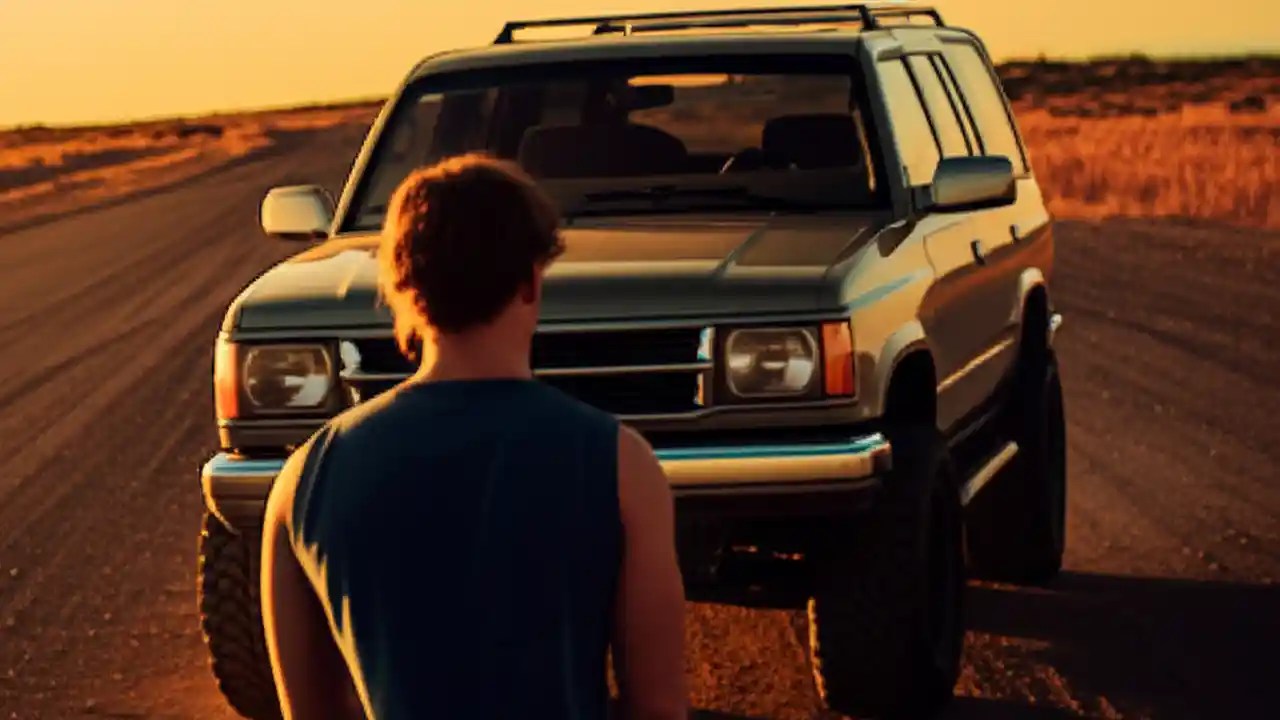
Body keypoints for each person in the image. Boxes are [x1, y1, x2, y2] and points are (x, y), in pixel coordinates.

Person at [258, 153, 689, 720]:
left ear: (403, 290)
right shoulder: (618, 464)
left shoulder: (306, 480)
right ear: (532, 282)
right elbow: (656, 707)